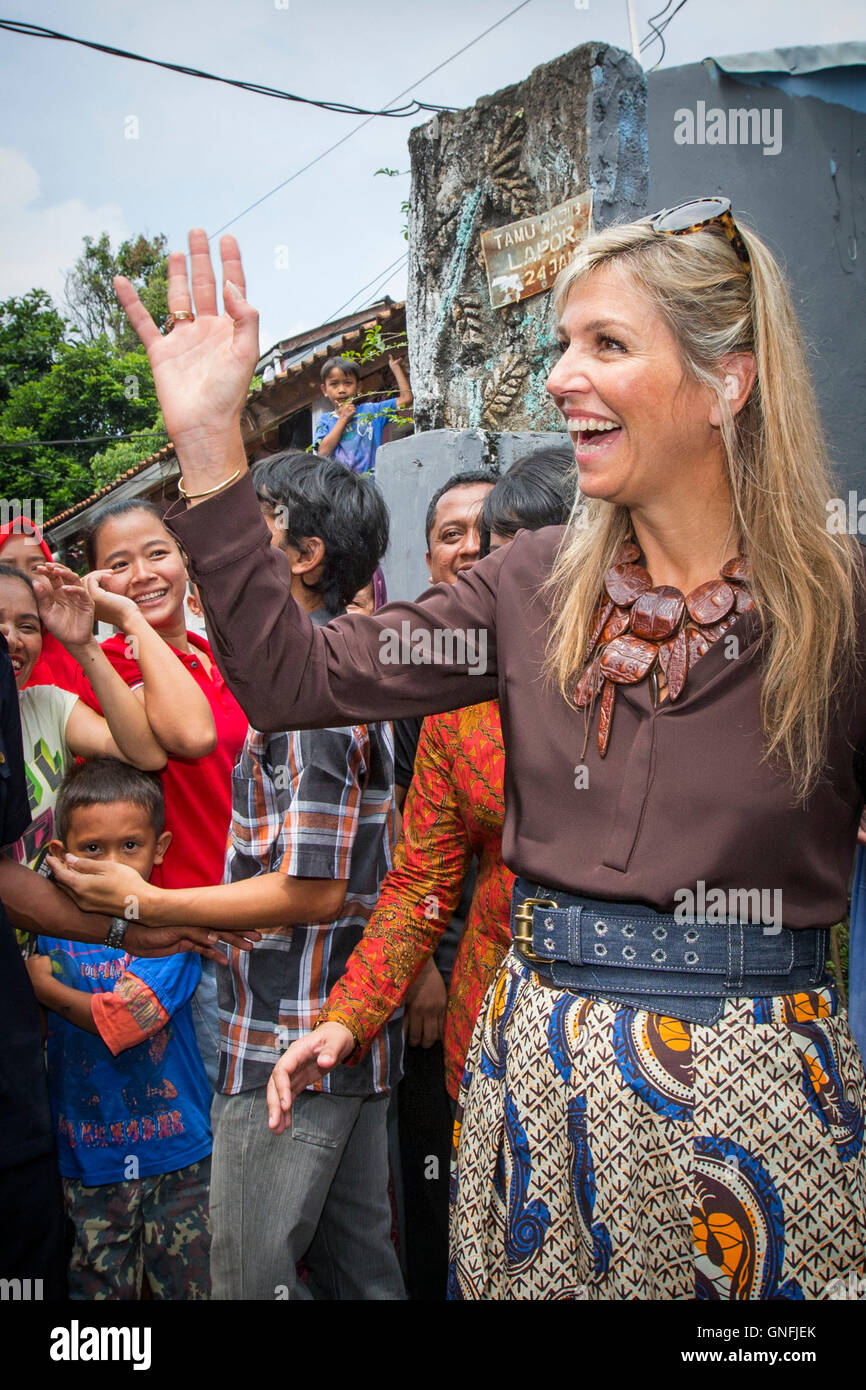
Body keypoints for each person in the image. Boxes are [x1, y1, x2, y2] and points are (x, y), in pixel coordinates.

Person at [63, 213, 865, 1301]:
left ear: (727, 380)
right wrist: (209, 448)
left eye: (606, 345)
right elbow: (294, 680)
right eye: (561, 344)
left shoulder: (840, 603)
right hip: (548, 1085)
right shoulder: (527, 583)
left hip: (761, 1092)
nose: (562, 377)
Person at [51, 453, 405, 1301]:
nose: (211, 546)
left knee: (246, 1272)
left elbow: (313, 887)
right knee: (360, 1257)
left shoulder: (306, 689)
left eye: (250, 524)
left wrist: (149, 901)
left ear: (300, 556)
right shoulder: (325, 664)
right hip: (331, 1013)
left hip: (290, 1016)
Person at [316, 450, 576, 1301]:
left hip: (655, 1023)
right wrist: (349, 1015)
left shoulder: (665, 676)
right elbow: (423, 883)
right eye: (497, 561)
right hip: (496, 1016)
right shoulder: (460, 707)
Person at [26, 759, 212, 1300]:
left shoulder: (169, 927)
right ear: (58, 854)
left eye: (130, 846)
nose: (112, 865)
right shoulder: (46, 929)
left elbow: (124, 1021)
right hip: (87, 1164)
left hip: (178, 1160)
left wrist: (46, 990)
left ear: (161, 847)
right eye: (92, 849)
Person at [80, 500, 249, 1088]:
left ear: (184, 557)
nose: (144, 574)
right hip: (185, 938)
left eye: (158, 553)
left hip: (262, 916)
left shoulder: (218, 653)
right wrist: (126, 620)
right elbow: (190, 736)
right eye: (119, 564)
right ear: (96, 584)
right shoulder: (102, 666)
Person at [0, 562, 169, 885]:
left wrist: (83, 645)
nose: (11, 640)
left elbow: (147, 755)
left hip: (53, 936)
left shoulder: (47, 704)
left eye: (27, 626)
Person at [314, 353, 412, 476]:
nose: (341, 390)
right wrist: (343, 418)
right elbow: (323, 451)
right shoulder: (325, 420)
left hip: (371, 486)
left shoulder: (371, 411)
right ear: (324, 390)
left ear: (358, 387)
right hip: (340, 489)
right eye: (334, 384)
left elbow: (406, 399)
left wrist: (396, 369)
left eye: (348, 383)